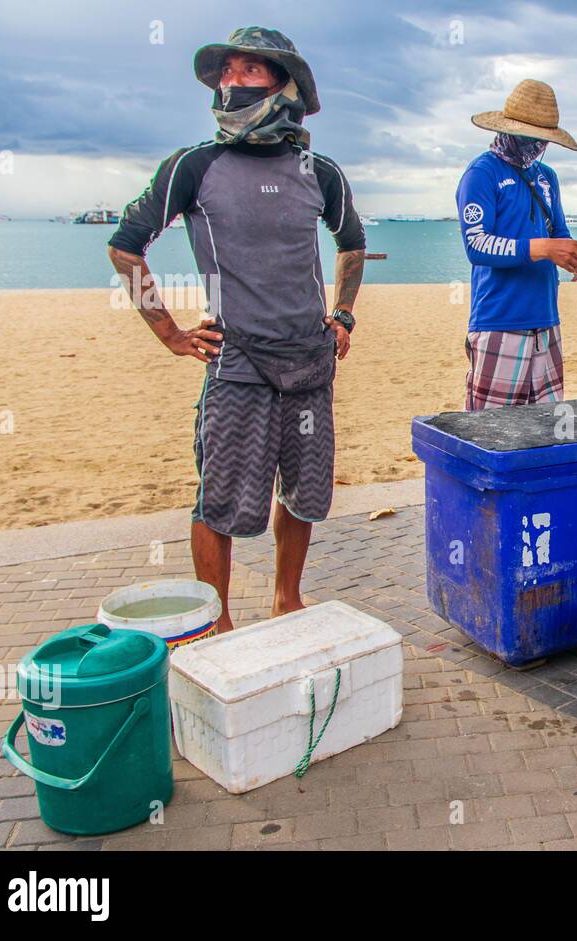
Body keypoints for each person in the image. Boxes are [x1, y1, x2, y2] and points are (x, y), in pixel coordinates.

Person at [107, 27, 365, 633]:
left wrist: (343, 315)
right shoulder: (195, 165)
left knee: (304, 493)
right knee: (220, 500)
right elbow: (126, 248)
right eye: (227, 71)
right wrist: (170, 333)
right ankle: (216, 622)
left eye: (250, 70)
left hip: (310, 361)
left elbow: (351, 245)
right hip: (237, 363)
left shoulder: (319, 171)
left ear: (285, 84)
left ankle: (286, 599)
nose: (232, 81)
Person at [455, 79, 577, 410]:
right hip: (499, 324)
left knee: (546, 433)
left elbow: (559, 235)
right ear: (508, 129)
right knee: (492, 435)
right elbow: (476, 246)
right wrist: (544, 249)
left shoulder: (546, 176)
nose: (537, 145)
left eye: (543, 139)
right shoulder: (482, 173)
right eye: (531, 136)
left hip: (546, 323)